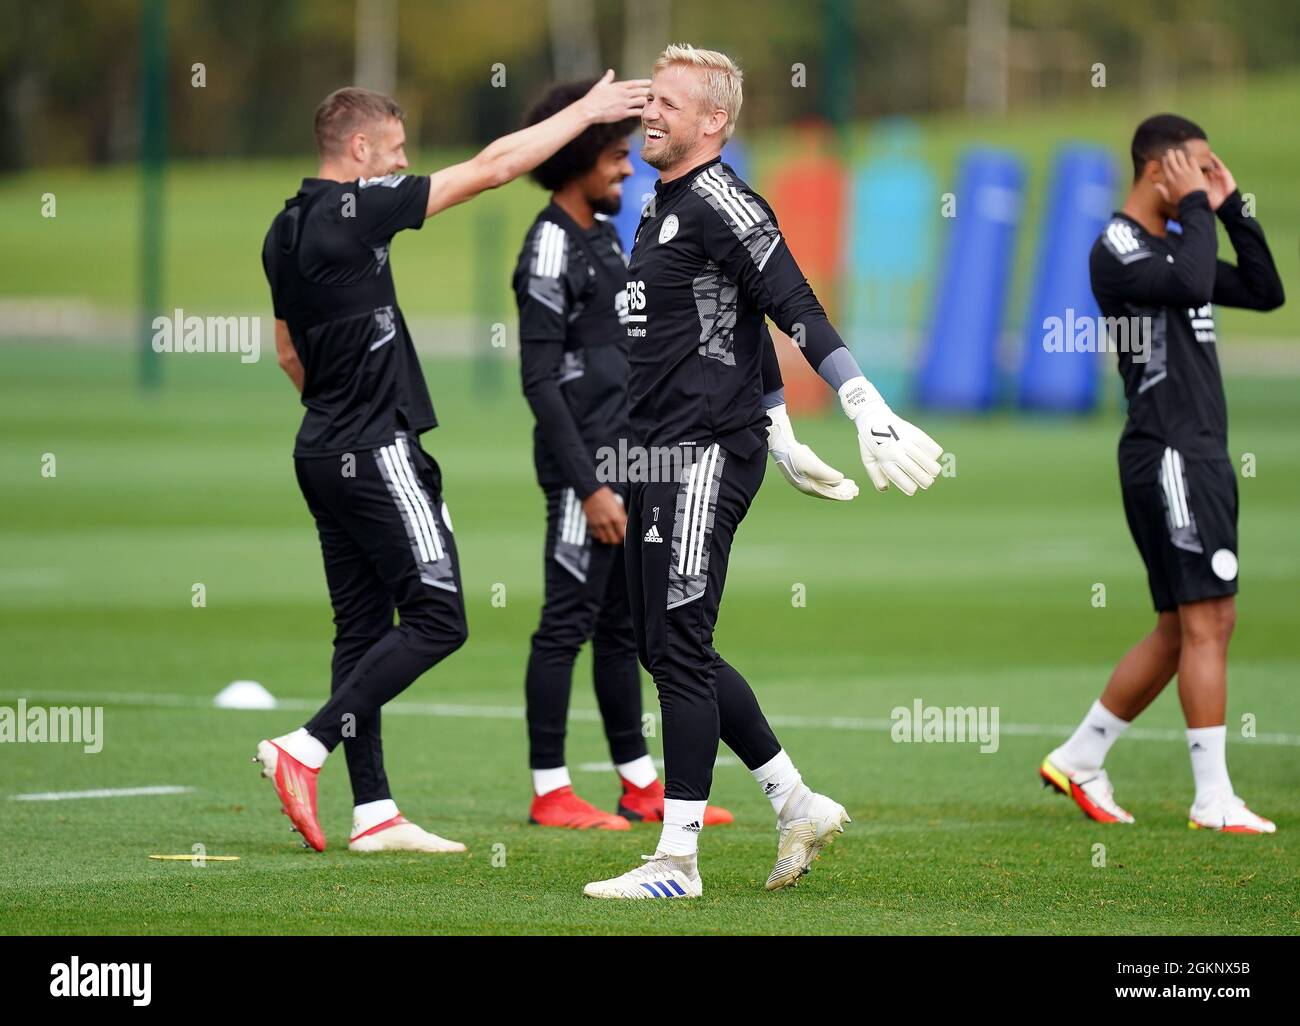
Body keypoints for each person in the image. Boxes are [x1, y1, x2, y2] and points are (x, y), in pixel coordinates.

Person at [583, 45, 943, 900]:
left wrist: (861, 402)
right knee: (662, 641)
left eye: (670, 102)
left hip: (704, 451)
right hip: (657, 450)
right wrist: (781, 433)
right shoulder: (661, 201)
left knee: (677, 649)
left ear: (716, 122)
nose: (651, 113)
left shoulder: (722, 199)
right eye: (651, 99)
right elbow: (726, 328)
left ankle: (677, 861)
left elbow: (792, 303)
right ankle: (796, 801)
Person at [257, 75, 650, 853]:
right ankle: (302, 749)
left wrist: (340, 404)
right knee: (440, 618)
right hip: (375, 450)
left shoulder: (282, 226)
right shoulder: (357, 207)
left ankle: (373, 813)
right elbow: (495, 167)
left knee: (361, 630)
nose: (405, 166)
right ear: (360, 149)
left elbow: (286, 355)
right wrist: (585, 111)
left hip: (320, 451)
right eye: (397, 152)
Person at [1041, 114, 1284, 833]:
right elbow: (1188, 281)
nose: (1209, 179)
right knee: (1209, 618)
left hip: (1198, 450)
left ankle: (1081, 756)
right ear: (1159, 167)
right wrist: (1200, 210)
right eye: (1200, 166)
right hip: (1169, 450)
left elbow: (1266, 290)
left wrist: (1231, 204)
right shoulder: (1118, 246)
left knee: (1185, 626)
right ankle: (1213, 798)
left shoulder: (1182, 238)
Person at [512, 80, 735, 832]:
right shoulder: (548, 241)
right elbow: (539, 381)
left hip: (632, 466)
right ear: (574, 161)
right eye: (612, 157)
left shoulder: (610, 235)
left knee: (620, 629)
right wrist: (588, 487)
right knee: (565, 623)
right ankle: (550, 790)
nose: (624, 170)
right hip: (588, 478)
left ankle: (639, 783)